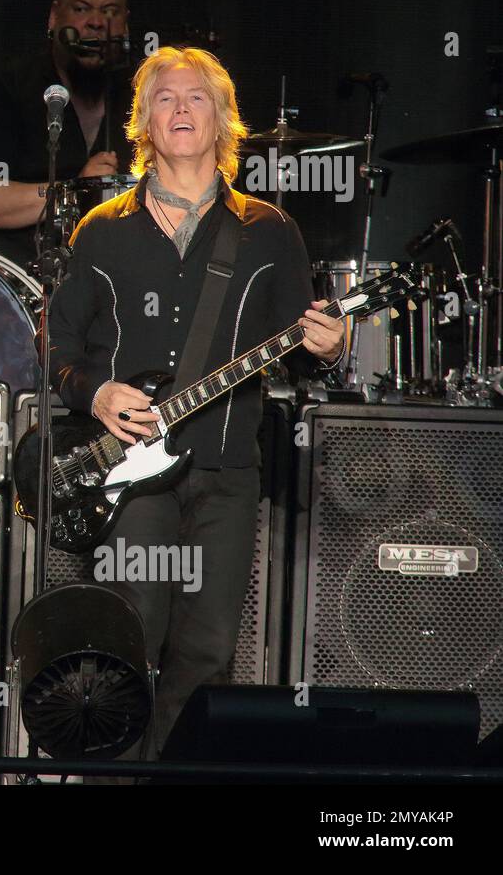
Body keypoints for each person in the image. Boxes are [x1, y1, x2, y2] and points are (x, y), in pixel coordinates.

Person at [47, 46, 345, 759]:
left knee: (208, 651)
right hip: (132, 477)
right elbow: (55, 347)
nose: (180, 110)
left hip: (227, 474)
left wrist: (330, 346)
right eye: (164, 99)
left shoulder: (271, 230)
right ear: (143, 123)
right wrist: (97, 390)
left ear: (223, 121)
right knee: (132, 633)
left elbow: (302, 350)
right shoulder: (103, 230)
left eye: (197, 98)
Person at [0, 0, 134, 266]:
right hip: (15, 289)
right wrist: (74, 190)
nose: (97, 23)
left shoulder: (144, 97)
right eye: (81, 9)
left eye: (110, 12)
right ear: (54, 17)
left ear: (125, 25)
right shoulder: (5, 90)